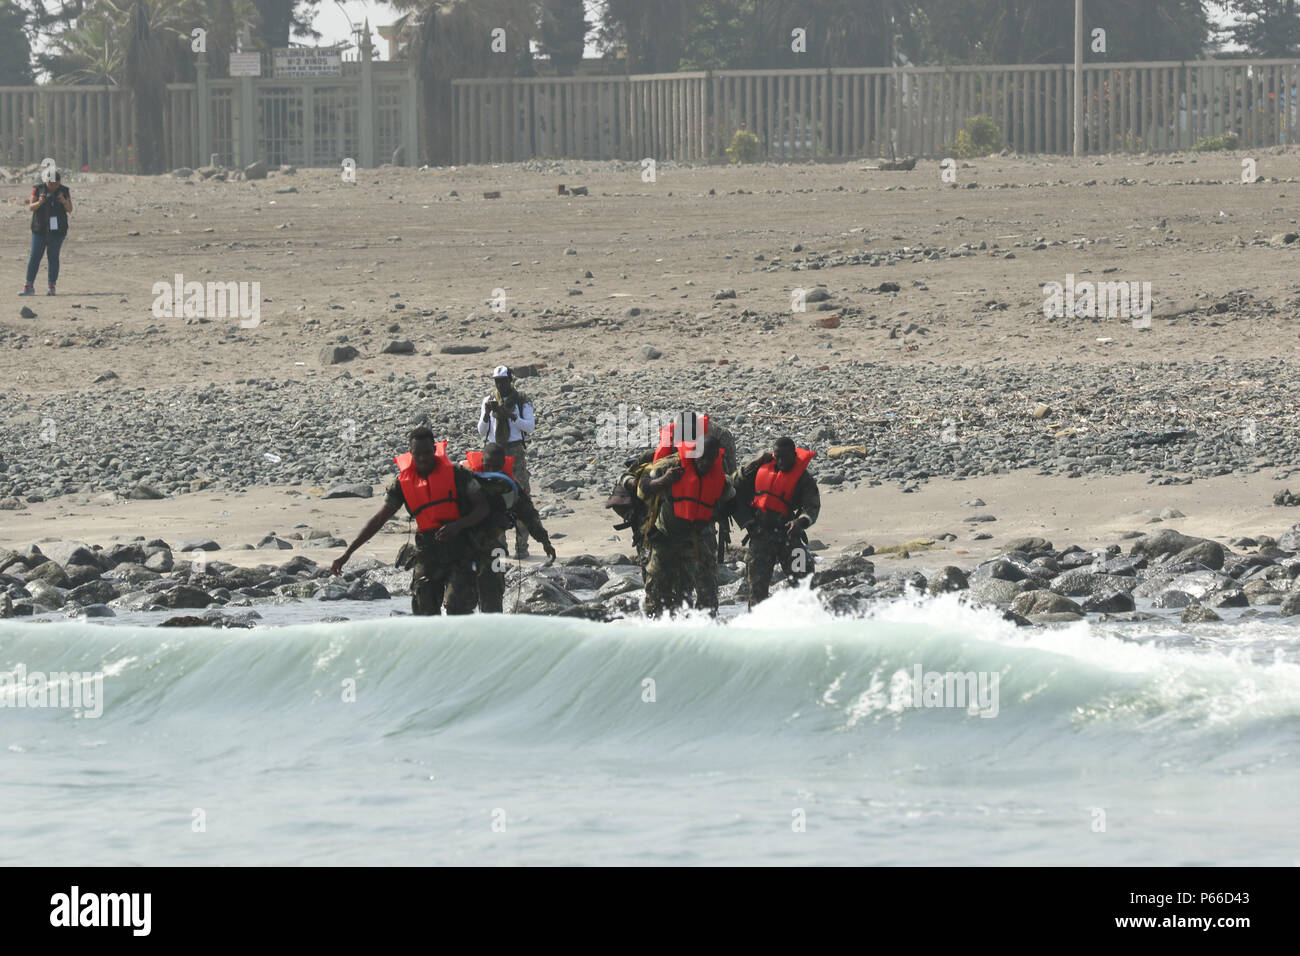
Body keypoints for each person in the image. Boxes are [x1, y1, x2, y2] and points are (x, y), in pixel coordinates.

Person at [332, 427, 488, 615]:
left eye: (427, 453)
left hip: (461, 548)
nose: (423, 458)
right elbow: (379, 520)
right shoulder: (402, 483)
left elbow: (483, 508)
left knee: (458, 607)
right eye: (417, 454)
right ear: (411, 453)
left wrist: (457, 526)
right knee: (424, 610)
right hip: (428, 551)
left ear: (434, 449)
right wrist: (347, 553)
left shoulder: (457, 474)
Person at [637, 434, 735, 618]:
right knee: (655, 585)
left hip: (696, 538)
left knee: (708, 588)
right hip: (665, 536)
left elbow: (730, 497)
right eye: (702, 457)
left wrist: (717, 512)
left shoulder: (718, 474)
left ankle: (706, 627)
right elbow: (642, 488)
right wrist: (663, 481)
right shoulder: (670, 466)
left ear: (716, 457)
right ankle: (652, 625)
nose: (705, 463)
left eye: (710, 459)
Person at [461, 442, 556, 612]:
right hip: (464, 543)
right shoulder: (464, 479)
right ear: (481, 460)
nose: (491, 469)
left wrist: (545, 541)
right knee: (460, 600)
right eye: (487, 464)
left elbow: (529, 516)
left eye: (496, 466)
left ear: (503, 465)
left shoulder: (510, 487)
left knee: (493, 597)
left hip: (493, 546)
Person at [733, 437, 820, 607]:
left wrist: (800, 522)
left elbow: (812, 505)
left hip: (789, 534)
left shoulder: (803, 478)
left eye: (785, 457)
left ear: (794, 455)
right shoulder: (759, 469)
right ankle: (757, 622)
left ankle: (805, 616)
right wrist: (748, 523)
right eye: (777, 457)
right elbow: (732, 487)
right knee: (757, 587)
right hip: (760, 534)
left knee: (803, 576)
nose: (781, 462)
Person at [477, 366, 536, 558]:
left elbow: (529, 427)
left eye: (503, 381)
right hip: (494, 453)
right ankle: (500, 547)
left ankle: (522, 548)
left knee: (521, 498)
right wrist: (487, 414)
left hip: (515, 451)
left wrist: (511, 415)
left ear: (510, 381)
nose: (500, 385)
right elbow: (482, 430)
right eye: (497, 381)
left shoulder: (521, 401)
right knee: (495, 500)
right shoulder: (489, 400)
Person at [21, 170, 72, 296]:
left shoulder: (64, 191)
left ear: (59, 182)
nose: (53, 186)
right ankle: (28, 286)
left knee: (53, 257)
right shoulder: (38, 189)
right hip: (40, 228)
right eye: (50, 183)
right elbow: (31, 207)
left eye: (55, 183)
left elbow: (70, 209)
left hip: (58, 230)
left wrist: (64, 201)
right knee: (35, 257)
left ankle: (51, 286)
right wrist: (40, 202)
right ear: (46, 181)